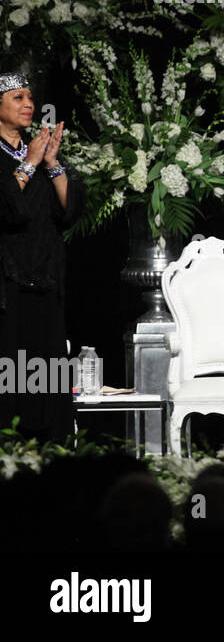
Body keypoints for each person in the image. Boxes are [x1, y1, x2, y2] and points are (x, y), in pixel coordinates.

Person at [0, 72, 85, 442]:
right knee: (9, 368)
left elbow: (68, 210)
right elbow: (6, 208)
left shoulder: (37, 150)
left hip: (45, 277)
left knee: (46, 371)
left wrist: (51, 162)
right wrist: (30, 163)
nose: (29, 105)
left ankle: (51, 450)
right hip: (7, 283)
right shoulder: (13, 157)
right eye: (18, 98)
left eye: (31, 98)